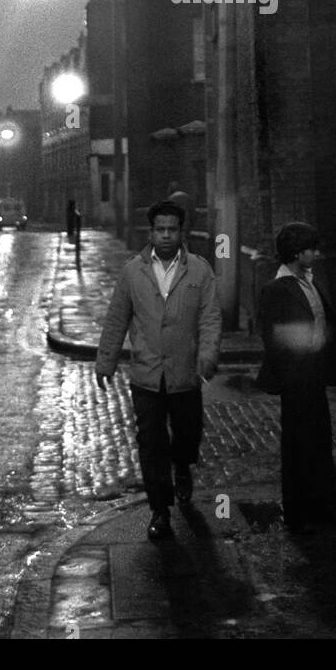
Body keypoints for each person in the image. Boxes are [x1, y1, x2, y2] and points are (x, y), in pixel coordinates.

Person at [95, 200, 222, 541]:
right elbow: (117, 317)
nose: (166, 236)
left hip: (184, 373)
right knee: (151, 442)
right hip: (147, 375)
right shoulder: (132, 272)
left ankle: (182, 466)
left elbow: (210, 318)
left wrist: (208, 354)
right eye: (160, 230)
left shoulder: (199, 271)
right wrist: (105, 360)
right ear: (151, 233)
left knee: (187, 435)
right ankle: (160, 509)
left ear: (182, 232)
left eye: (172, 230)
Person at [257, 221, 336, 534]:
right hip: (297, 382)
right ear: (297, 253)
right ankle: (298, 507)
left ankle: (324, 502)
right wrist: (292, 375)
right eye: (311, 248)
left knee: (319, 440)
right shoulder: (277, 290)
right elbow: (274, 338)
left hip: (315, 378)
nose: (317, 253)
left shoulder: (309, 281)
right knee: (299, 443)